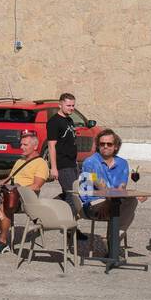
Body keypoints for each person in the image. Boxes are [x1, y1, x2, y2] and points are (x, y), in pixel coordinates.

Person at [79, 129, 145, 270]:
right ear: (98, 145)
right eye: (102, 144)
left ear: (116, 146)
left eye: (109, 144)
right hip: (92, 203)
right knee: (125, 211)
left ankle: (111, 240)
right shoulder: (90, 163)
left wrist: (133, 194)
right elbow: (96, 187)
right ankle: (113, 243)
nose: (105, 147)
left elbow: (121, 188)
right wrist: (107, 200)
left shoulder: (122, 163)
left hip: (112, 203)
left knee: (132, 201)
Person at [0, 131, 49, 249]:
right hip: (10, 193)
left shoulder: (41, 163)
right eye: (21, 144)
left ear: (35, 146)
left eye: (25, 145)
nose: (21, 147)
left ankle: (2, 241)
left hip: (26, 198)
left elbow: (36, 186)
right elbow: (9, 179)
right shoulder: (19, 161)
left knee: (3, 206)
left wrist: (17, 189)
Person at [47, 92, 83, 224]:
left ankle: (50, 205)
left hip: (72, 163)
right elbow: (51, 145)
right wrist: (54, 168)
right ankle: (70, 227)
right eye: (68, 105)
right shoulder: (54, 122)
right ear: (60, 104)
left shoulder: (69, 120)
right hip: (62, 164)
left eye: (73, 106)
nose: (71, 108)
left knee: (74, 193)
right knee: (71, 195)